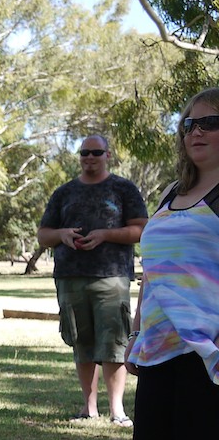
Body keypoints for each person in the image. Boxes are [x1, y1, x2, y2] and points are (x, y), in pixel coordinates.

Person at [96, 88, 219, 440]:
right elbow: (154, 272)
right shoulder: (172, 193)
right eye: (188, 124)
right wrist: (140, 331)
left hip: (210, 348)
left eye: (209, 123)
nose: (195, 132)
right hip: (163, 346)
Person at [37, 136, 149, 425]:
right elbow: (43, 234)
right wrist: (62, 235)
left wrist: (104, 234)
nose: (90, 157)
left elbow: (141, 229)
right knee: (81, 342)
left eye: (96, 152)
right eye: (84, 152)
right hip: (70, 276)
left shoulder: (123, 188)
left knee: (114, 344)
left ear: (107, 154)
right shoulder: (64, 192)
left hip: (111, 276)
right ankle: (88, 408)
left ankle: (117, 411)